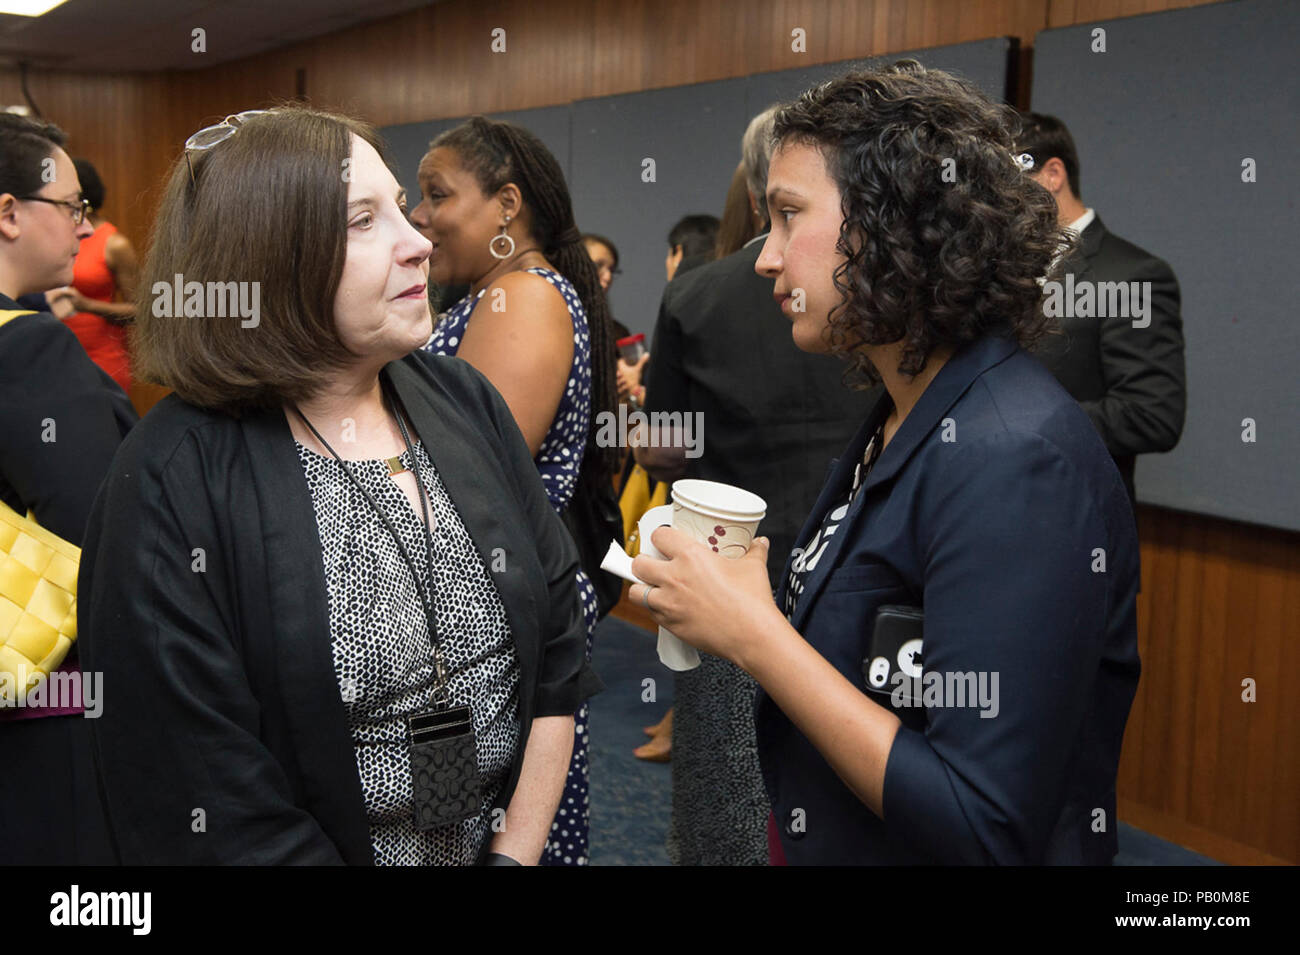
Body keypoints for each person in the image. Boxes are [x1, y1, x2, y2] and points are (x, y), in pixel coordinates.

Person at [631, 64, 1141, 865]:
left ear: (895, 224)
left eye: (790, 214)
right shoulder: (906, 411)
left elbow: (984, 825)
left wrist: (760, 637)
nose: (765, 258)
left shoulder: (1016, 456)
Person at [77, 106, 598, 865]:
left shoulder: (462, 400)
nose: (418, 242)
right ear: (263, 256)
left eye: (402, 207)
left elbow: (557, 642)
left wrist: (513, 857)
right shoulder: (169, 480)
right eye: (363, 220)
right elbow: (205, 796)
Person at [640, 104, 875, 864]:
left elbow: (667, 451)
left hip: (730, 580)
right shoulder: (879, 308)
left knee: (723, 816)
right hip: (860, 585)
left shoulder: (696, 295)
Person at [411, 116, 619, 866]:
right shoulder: (492, 294)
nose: (419, 215)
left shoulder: (523, 298)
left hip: (498, 607)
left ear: (506, 204)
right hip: (485, 604)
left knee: (487, 827)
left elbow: (468, 476)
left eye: (437, 194)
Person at [0, 113, 134, 865]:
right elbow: (101, 529)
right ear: (10, 213)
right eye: (71, 205)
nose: (85, 229)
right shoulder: (26, 346)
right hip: (44, 702)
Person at [1016, 113, 1186, 511]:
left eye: (1006, 183)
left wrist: (1022, 423)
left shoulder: (1133, 274)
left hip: (1074, 516)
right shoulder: (999, 267)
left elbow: (1152, 415)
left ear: (1052, 174)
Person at [42, 158, 140, 395]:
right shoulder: (58, 238)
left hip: (102, 359)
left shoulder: (114, 244)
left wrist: (86, 305)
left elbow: (140, 310)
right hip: (56, 354)